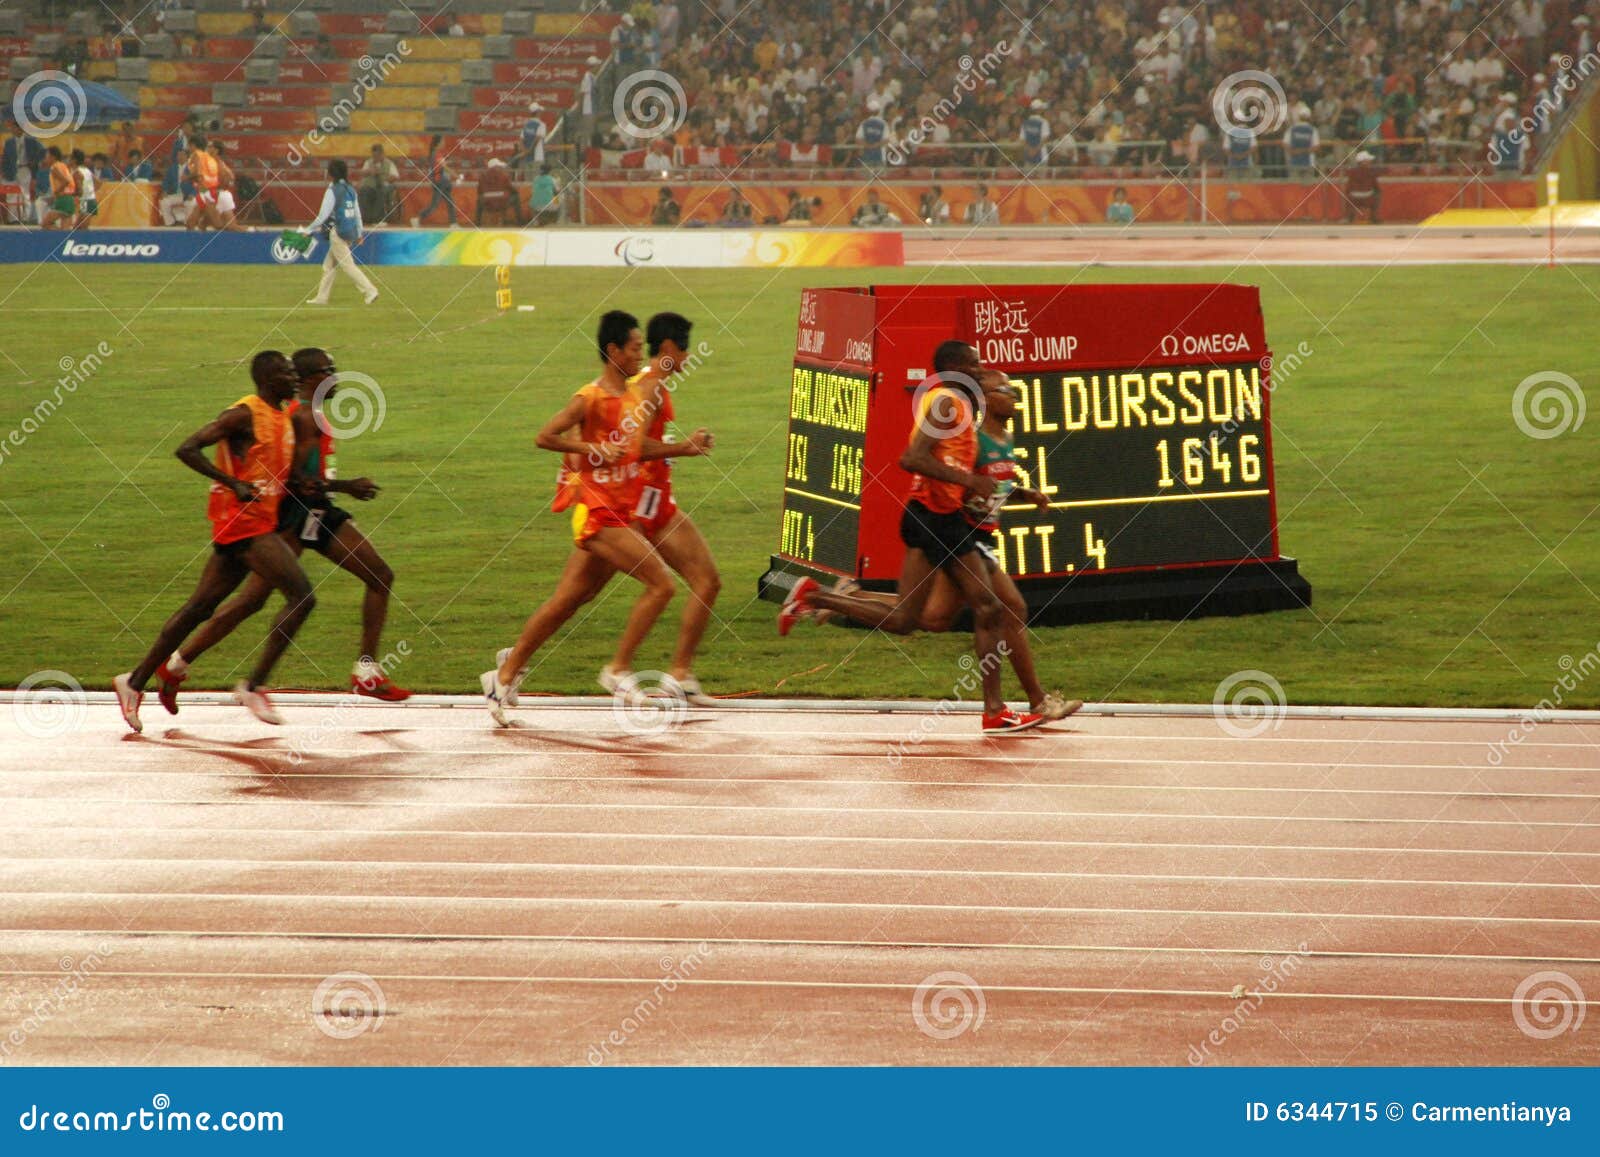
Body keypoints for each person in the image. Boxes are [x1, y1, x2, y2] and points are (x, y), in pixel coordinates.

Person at [779, 341, 1044, 735]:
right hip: (935, 517)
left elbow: (954, 463)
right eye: (974, 364)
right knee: (988, 608)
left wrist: (1003, 490)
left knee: (908, 618)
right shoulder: (945, 403)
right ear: (956, 368)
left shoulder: (960, 407)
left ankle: (816, 596)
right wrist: (969, 480)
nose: (981, 369)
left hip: (935, 516)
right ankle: (994, 710)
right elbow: (910, 459)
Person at [482, 310, 713, 724]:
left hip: (623, 510)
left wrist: (676, 451)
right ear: (614, 351)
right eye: (635, 348)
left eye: (642, 348)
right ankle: (618, 670)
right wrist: (594, 450)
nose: (641, 356)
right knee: (660, 585)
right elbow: (549, 438)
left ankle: (506, 669)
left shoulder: (630, 397)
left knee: (570, 600)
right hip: (596, 512)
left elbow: (632, 449)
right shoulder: (592, 396)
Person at [153, 347, 410, 712]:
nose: (336, 377)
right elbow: (298, 482)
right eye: (329, 371)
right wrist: (347, 485)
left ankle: (366, 670)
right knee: (251, 600)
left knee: (379, 574)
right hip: (294, 516)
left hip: (318, 512)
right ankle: (183, 667)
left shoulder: (307, 413)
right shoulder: (304, 417)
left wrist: (334, 490)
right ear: (309, 380)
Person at [112, 351, 315, 732]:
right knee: (302, 594)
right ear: (268, 379)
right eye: (287, 373)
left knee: (199, 609)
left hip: (257, 521)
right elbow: (187, 448)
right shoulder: (244, 414)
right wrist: (233, 483)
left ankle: (133, 681)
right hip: (243, 525)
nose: (294, 378)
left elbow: (270, 472)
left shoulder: (282, 418)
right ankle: (253, 686)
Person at [305, 158, 379, 305]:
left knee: (348, 266)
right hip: (350, 231)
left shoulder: (332, 191)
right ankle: (321, 298)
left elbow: (322, 216)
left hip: (338, 232)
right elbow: (357, 213)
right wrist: (359, 233)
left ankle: (370, 291)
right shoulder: (350, 189)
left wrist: (308, 230)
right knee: (328, 266)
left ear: (330, 173)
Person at [410, 135, 459, 227]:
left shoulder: (436, 154)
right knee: (434, 205)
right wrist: (455, 174)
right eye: (442, 141)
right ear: (438, 143)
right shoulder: (436, 154)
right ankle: (417, 218)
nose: (444, 143)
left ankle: (453, 223)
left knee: (450, 202)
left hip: (442, 181)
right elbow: (444, 167)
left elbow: (441, 165)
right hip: (439, 182)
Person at [358, 143, 398, 224]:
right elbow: (362, 172)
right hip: (370, 187)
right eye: (374, 156)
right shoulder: (368, 162)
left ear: (382, 154)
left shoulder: (389, 163)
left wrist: (384, 177)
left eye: (377, 156)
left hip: (384, 185)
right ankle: (365, 218)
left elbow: (395, 176)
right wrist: (369, 171)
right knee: (363, 191)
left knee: (381, 192)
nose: (375, 158)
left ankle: (378, 219)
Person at [39, 146, 76, 230]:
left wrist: (55, 193)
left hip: (62, 199)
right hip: (69, 199)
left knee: (45, 224)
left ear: (53, 157)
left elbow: (66, 181)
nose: (45, 159)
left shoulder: (54, 167)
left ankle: (57, 234)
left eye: (47, 157)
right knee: (65, 230)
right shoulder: (63, 165)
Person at [159, 148, 195, 226]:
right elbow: (166, 181)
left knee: (191, 204)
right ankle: (170, 223)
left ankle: (187, 223)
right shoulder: (172, 168)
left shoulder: (192, 168)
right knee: (164, 202)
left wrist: (193, 194)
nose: (180, 157)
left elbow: (197, 183)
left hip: (188, 195)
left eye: (182, 154)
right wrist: (164, 191)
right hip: (175, 194)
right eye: (178, 155)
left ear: (187, 157)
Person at [477, 157, 516, 226]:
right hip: (501, 203)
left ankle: (478, 222)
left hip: (487, 203)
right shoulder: (504, 175)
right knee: (516, 198)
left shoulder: (482, 176)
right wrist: (515, 192)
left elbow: (479, 191)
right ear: (496, 166)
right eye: (499, 166)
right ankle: (517, 221)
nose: (500, 168)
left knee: (479, 200)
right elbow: (511, 188)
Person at [1345, 150, 1380, 223]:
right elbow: (1376, 186)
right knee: (1378, 194)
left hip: (1354, 198)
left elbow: (1348, 187)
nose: (1370, 161)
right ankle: (1373, 217)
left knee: (1348, 196)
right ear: (1363, 161)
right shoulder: (1370, 171)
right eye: (1368, 160)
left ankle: (1349, 218)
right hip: (1368, 198)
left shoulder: (1352, 171)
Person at [70, 149, 97, 229]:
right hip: (88, 200)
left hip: (86, 201)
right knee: (77, 228)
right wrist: (90, 192)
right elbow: (99, 183)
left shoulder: (77, 173)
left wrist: (70, 194)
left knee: (82, 229)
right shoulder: (86, 170)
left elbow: (80, 191)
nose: (69, 161)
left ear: (74, 160)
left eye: (70, 159)